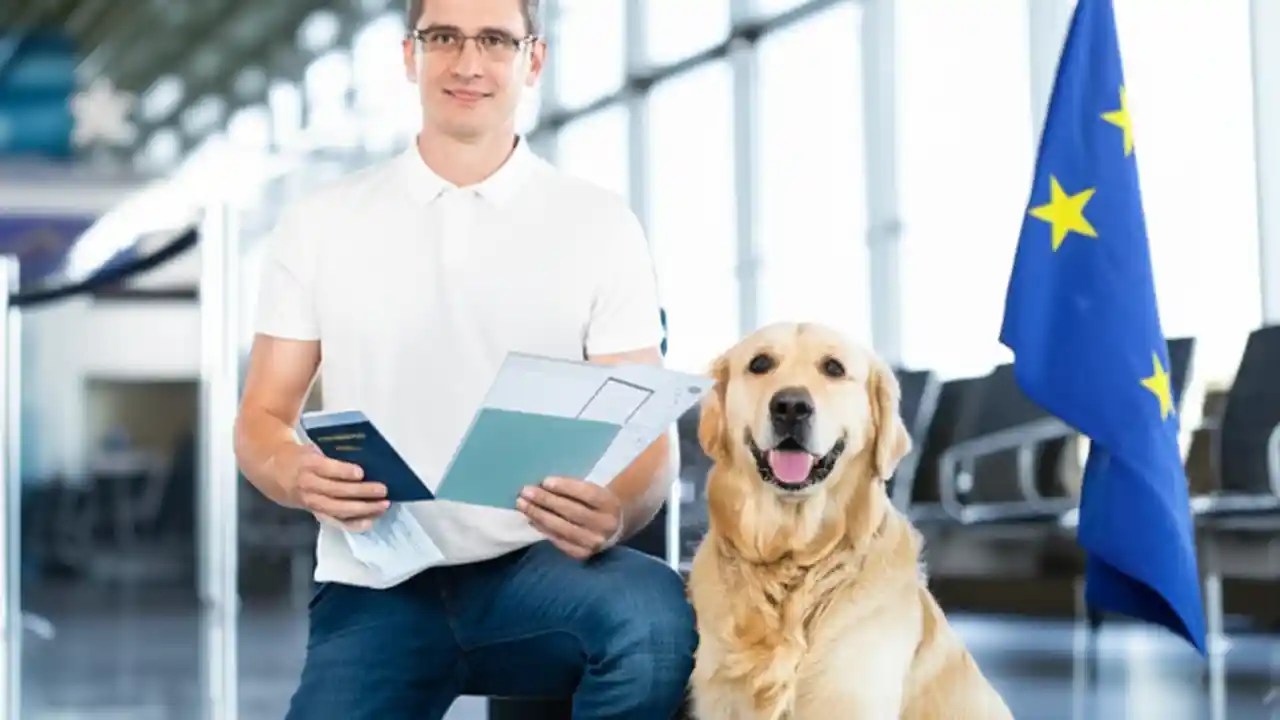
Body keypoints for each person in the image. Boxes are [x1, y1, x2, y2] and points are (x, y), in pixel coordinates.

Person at [232, 0, 697, 717]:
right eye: (443, 36)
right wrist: (295, 472)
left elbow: (649, 439)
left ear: (532, 58)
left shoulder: (599, 225)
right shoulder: (320, 224)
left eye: (495, 40)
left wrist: (616, 511)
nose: (468, 62)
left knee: (652, 618)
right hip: (375, 582)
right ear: (410, 53)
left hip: (539, 571)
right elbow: (262, 417)